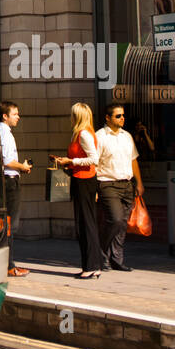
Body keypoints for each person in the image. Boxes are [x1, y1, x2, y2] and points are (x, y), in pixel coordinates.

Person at [51, 103, 102, 278]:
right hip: (83, 179)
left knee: (84, 223)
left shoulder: (84, 134)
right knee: (87, 222)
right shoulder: (84, 133)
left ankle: (90, 266)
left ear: (77, 116)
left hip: (84, 180)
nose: (70, 117)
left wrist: (72, 162)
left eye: (72, 114)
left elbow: (94, 159)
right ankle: (93, 265)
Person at [95, 102, 144, 271]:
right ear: (108, 118)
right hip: (107, 184)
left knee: (123, 224)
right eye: (118, 116)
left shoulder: (127, 136)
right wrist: (94, 188)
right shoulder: (100, 137)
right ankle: (100, 255)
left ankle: (116, 259)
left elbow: (133, 160)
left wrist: (139, 183)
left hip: (127, 184)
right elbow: (93, 163)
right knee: (114, 220)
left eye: (123, 115)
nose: (122, 118)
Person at [0, 101, 31, 276]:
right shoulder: (5, 133)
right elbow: (6, 161)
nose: (18, 117)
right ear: (5, 116)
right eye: (15, 114)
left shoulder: (3, 131)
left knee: (8, 223)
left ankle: (8, 264)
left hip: (9, 179)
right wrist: (23, 167)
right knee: (10, 224)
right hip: (10, 181)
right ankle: (9, 266)